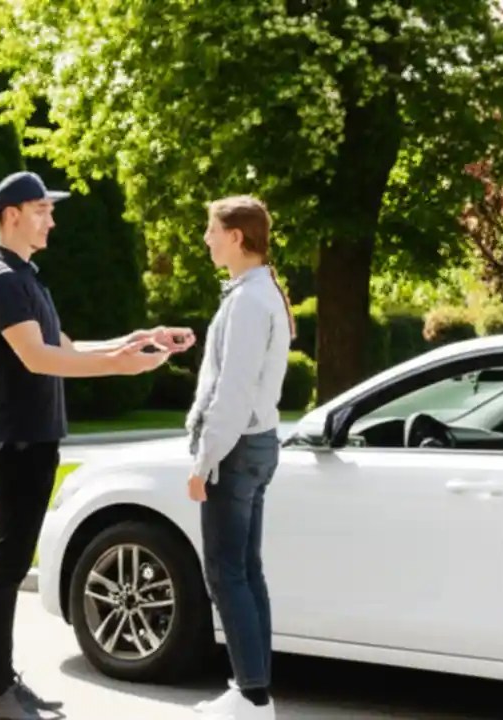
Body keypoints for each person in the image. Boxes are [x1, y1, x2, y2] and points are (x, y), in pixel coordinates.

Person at [0, 170, 195, 720]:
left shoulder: (27, 278)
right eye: (42, 209)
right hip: (16, 440)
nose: (51, 218)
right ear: (11, 216)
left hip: (36, 436)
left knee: (11, 562)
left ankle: (3, 683)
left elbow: (66, 345)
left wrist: (138, 339)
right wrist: (116, 368)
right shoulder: (0, 280)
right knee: (4, 566)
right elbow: (38, 358)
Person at [185, 195, 295, 720]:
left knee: (227, 573)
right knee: (245, 571)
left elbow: (233, 391)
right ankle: (253, 692)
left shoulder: (251, 301)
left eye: (211, 230)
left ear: (236, 236)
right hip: (256, 444)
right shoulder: (257, 293)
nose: (205, 239)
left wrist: (204, 461)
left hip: (237, 447)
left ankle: (251, 698)